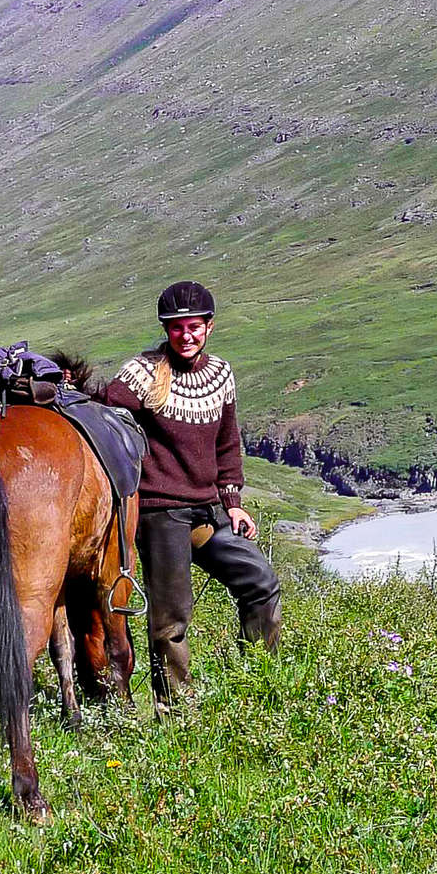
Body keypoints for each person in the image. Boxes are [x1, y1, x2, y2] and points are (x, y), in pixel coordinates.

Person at [98, 281, 282, 705]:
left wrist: (234, 505)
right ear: (167, 329)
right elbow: (104, 411)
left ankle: (256, 684)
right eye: (178, 327)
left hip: (208, 510)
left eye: (194, 327)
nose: (187, 335)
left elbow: (227, 445)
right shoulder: (142, 373)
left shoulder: (220, 374)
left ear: (209, 327)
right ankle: (177, 713)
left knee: (260, 582)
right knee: (171, 619)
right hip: (160, 513)